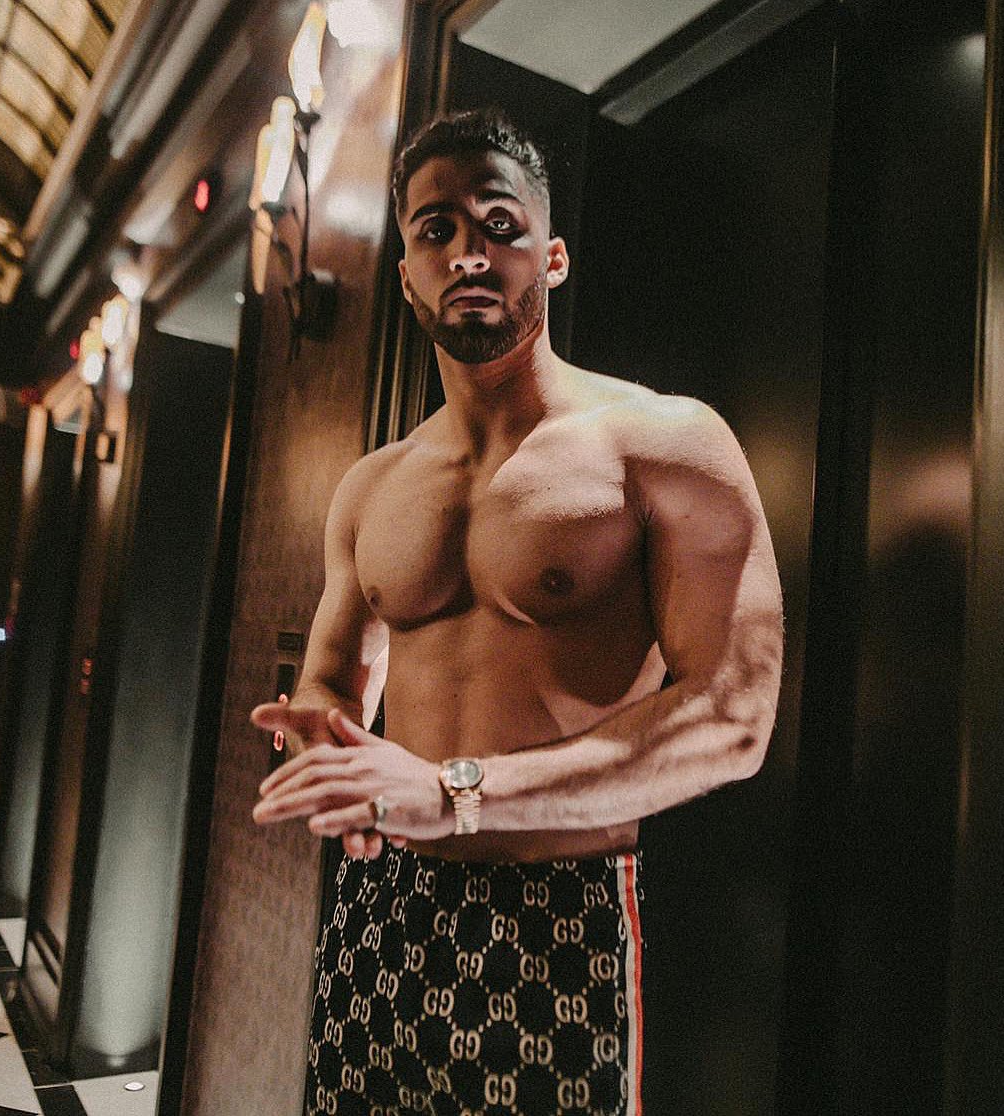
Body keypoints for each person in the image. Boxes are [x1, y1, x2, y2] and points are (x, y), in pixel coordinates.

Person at [251, 109, 783, 1116]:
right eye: (437, 230)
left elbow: (732, 720)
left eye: (500, 225)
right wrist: (326, 739)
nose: (469, 253)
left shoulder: (663, 443)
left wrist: (455, 791)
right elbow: (331, 675)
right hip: (381, 906)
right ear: (406, 274)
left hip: (556, 915)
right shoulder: (371, 487)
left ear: (554, 257)